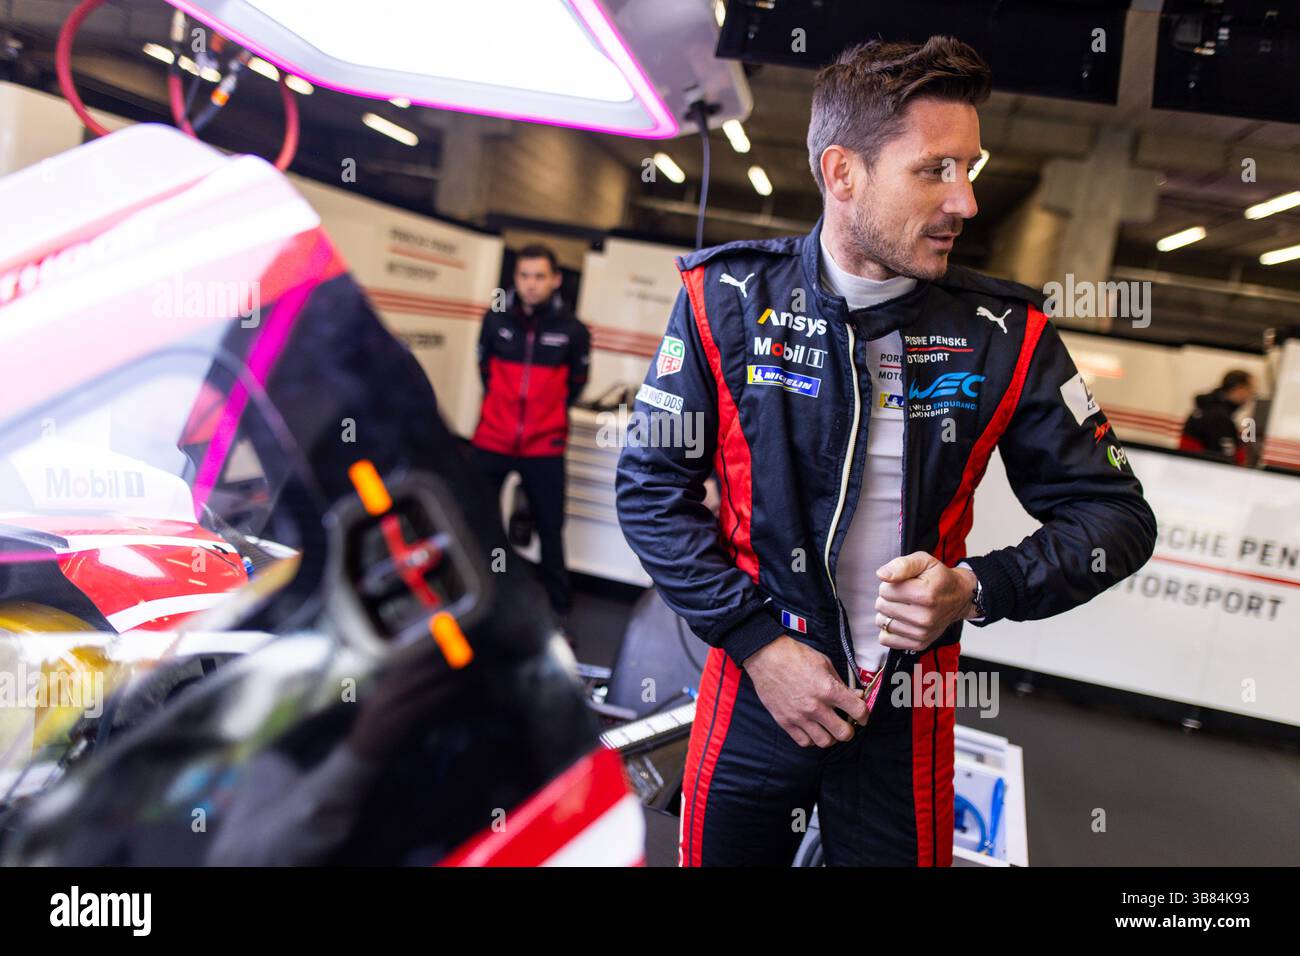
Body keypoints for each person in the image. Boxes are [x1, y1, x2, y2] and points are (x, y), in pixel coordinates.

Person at [614, 36, 1157, 867]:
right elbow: (650, 489)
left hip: (912, 700)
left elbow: (1116, 516)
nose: (966, 201)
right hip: (758, 681)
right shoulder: (723, 297)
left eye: (969, 168)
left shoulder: (1006, 334)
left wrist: (980, 586)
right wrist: (759, 644)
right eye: (936, 169)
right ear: (843, 174)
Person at [472, 244, 590, 632]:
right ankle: (480, 600)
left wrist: (544, 416)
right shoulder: (496, 320)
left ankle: (560, 613)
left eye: (539, 276)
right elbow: (485, 371)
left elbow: (575, 383)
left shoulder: (572, 330)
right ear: (515, 278)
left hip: (544, 446)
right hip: (493, 440)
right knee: (476, 520)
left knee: (550, 530)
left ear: (555, 280)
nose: (531, 284)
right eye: (524, 276)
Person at [1179, 370, 1256, 465]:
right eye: (1250, 390)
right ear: (1239, 388)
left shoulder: (1208, 407)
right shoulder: (1219, 419)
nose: (1252, 395)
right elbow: (1226, 463)